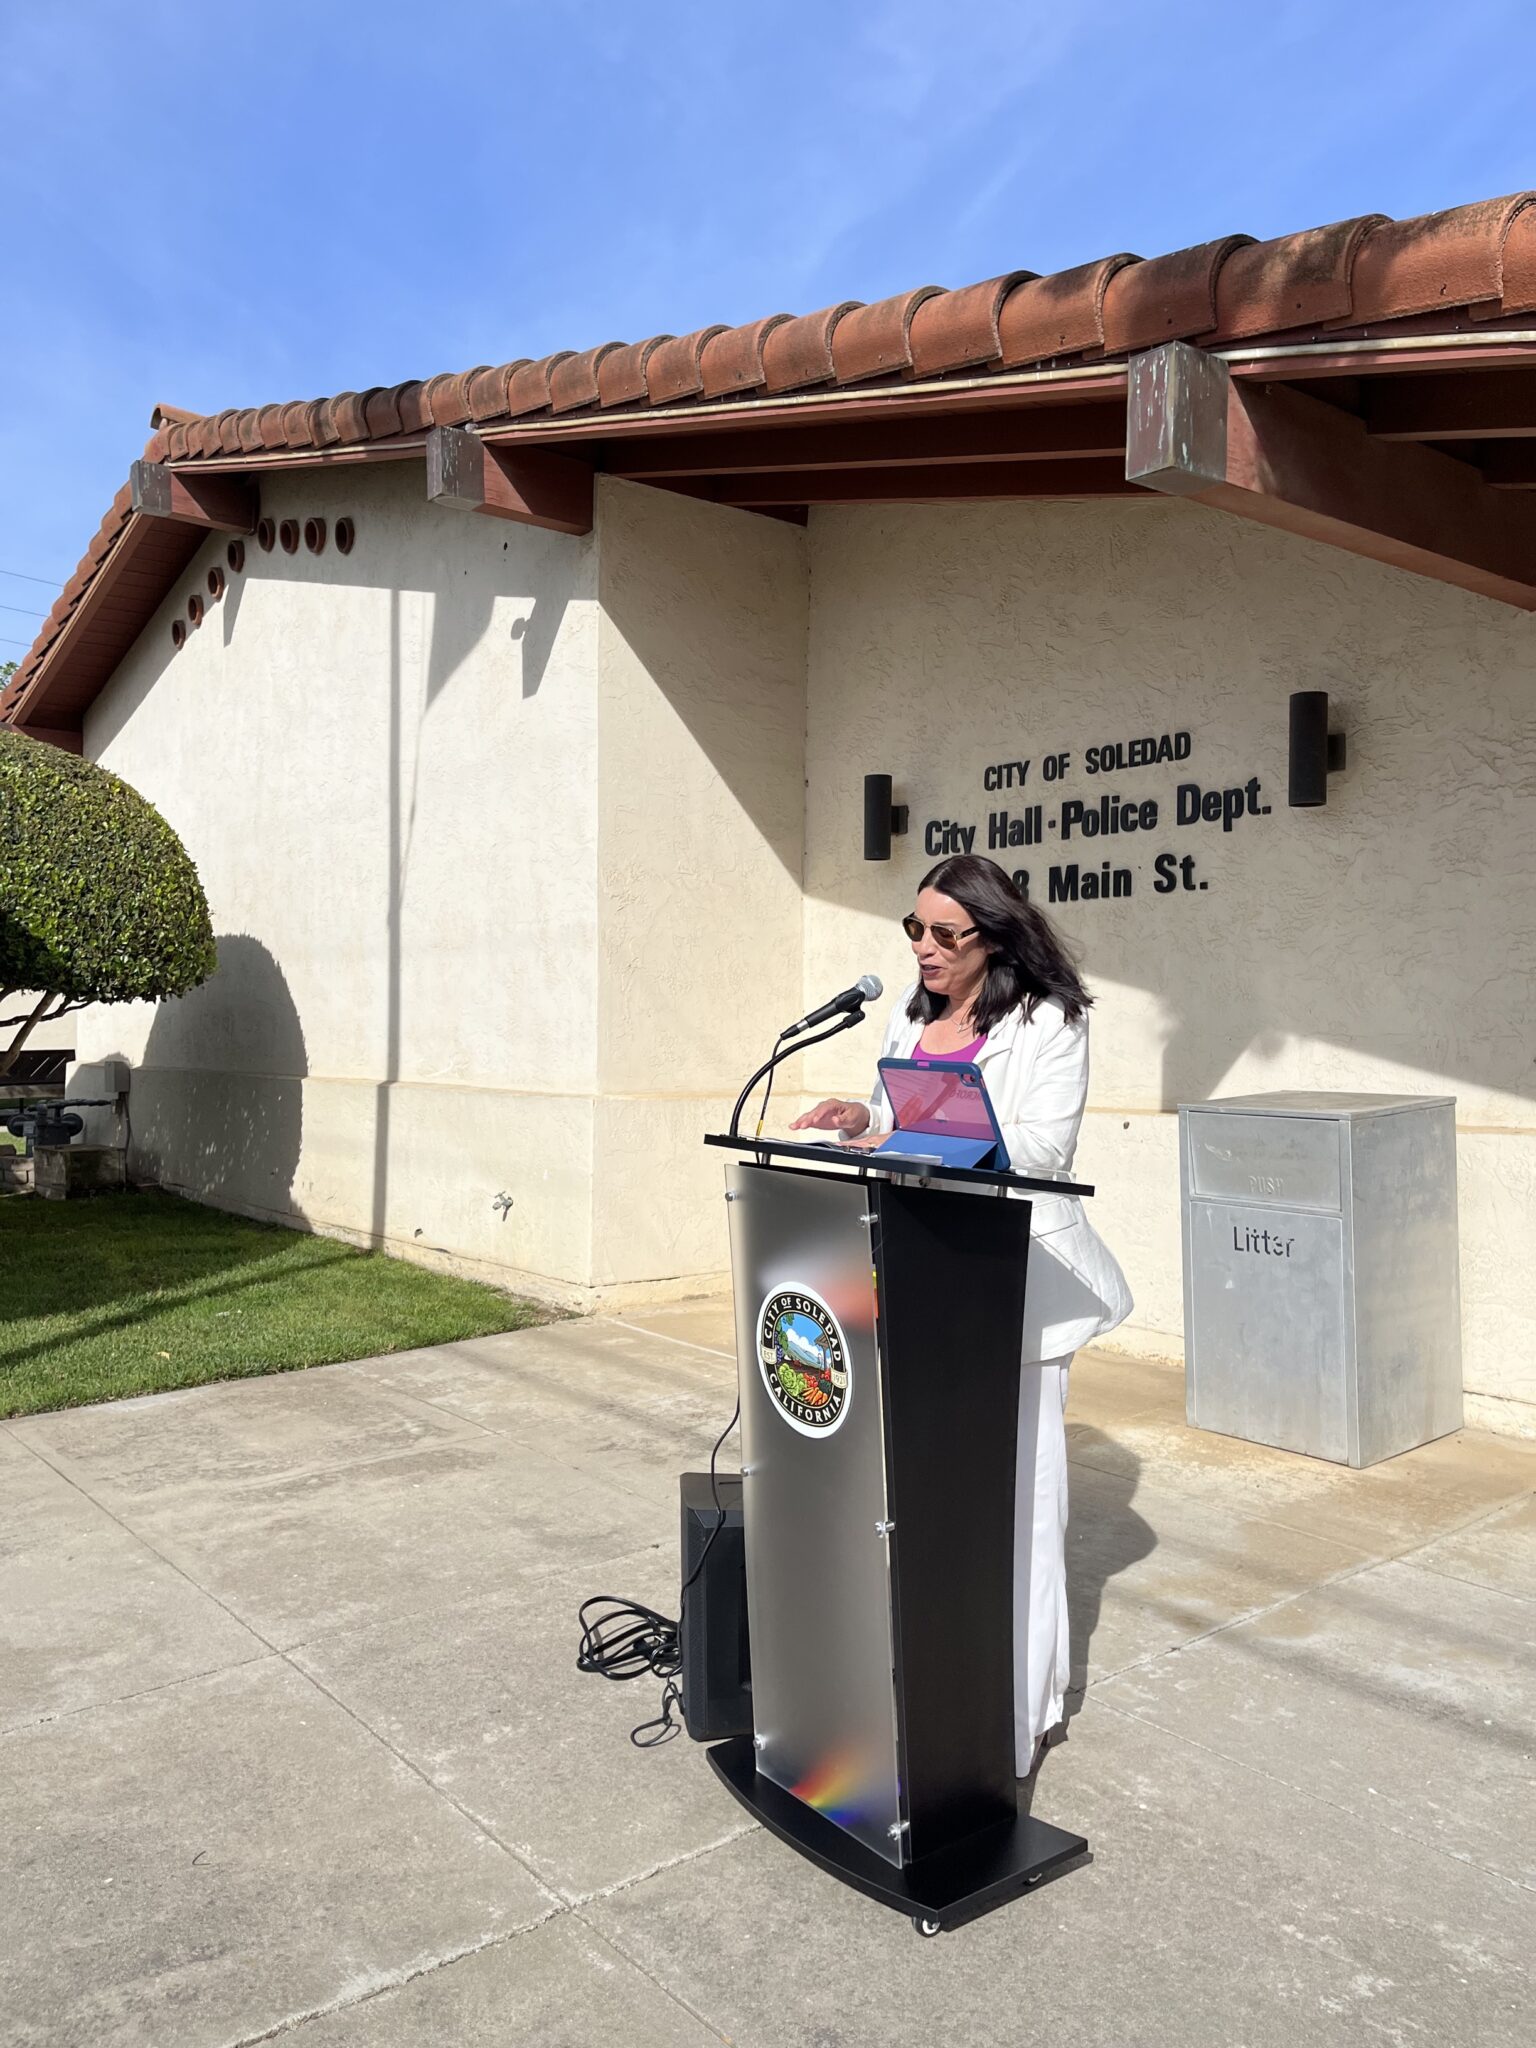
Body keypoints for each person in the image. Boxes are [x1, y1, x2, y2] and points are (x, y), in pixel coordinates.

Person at [790, 853, 1132, 1776]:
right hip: (917, 1279)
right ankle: (928, 1691)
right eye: (915, 929)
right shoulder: (910, 1017)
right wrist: (858, 1123)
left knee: (1021, 1507)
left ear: (994, 934)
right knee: (928, 1508)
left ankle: (1018, 1716)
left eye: (946, 934)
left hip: (1009, 1289)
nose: (925, 949)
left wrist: (942, 1127)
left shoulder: (1050, 1022)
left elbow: (1044, 1147)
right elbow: (897, 1114)